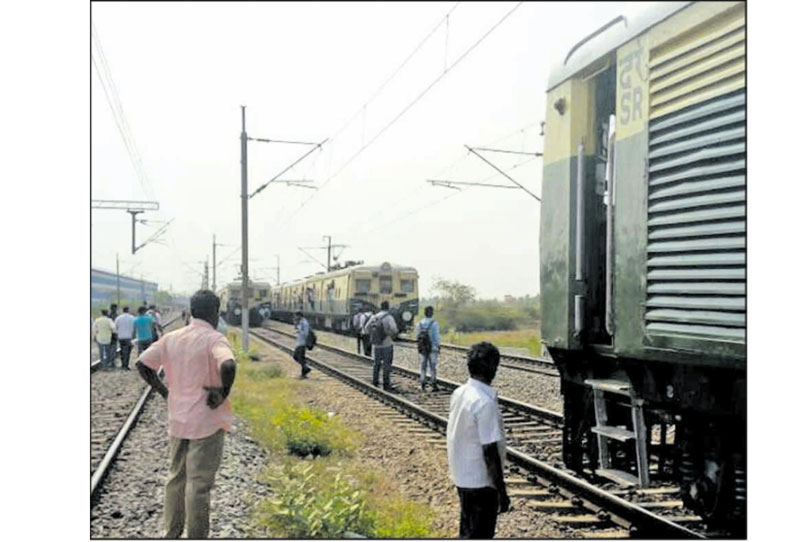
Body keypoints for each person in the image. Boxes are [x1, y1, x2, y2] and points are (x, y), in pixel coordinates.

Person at [136, 289, 236, 539]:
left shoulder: (172, 338)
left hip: (178, 420)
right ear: (215, 312)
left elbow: (142, 364)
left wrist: (164, 391)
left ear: (191, 311)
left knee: (175, 478)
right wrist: (223, 392)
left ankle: (171, 533)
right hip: (207, 423)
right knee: (199, 485)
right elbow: (228, 364)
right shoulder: (215, 339)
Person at [446, 342, 510, 539]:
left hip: (462, 477)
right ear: (491, 367)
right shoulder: (484, 403)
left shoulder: (460, 393)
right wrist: (501, 490)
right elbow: (490, 451)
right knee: (480, 534)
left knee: (467, 532)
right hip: (481, 483)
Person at [362, 301, 399, 391]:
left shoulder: (374, 317)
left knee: (376, 364)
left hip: (376, 345)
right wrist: (391, 334)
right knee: (387, 365)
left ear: (380, 307)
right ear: (388, 307)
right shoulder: (389, 317)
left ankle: (375, 381)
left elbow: (366, 328)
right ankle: (386, 384)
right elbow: (394, 329)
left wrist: (373, 335)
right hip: (387, 344)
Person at [416, 306, 442, 392]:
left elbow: (417, 336)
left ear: (424, 313)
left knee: (423, 365)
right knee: (432, 366)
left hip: (423, 348)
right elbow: (436, 336)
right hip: (432, 348)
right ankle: (433, 383)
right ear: (431, 313)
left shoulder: (419, 323)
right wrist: (438, 346)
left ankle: (422, 383)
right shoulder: (434, 323)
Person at [114, 306, 136, 370]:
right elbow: (134, 327)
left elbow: (115, 327)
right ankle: (125, 365)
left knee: (122, 351)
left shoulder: (118, 318)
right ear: (128, 310)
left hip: (121, 337)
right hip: (129, 337)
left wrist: (117, 334)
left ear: (123, 310)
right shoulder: (132, 318)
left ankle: (123, 364)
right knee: (128, 352)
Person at [292, 311, 312, 378]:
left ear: (299, 316)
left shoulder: (304, 323)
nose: (295, 317)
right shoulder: (300, 322)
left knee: (297, 356)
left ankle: (306, 368)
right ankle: (304, 373)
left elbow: (305, 334)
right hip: (299, 342)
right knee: (300, 358)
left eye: (295, 316)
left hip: (302, 343)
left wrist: (299, 329)